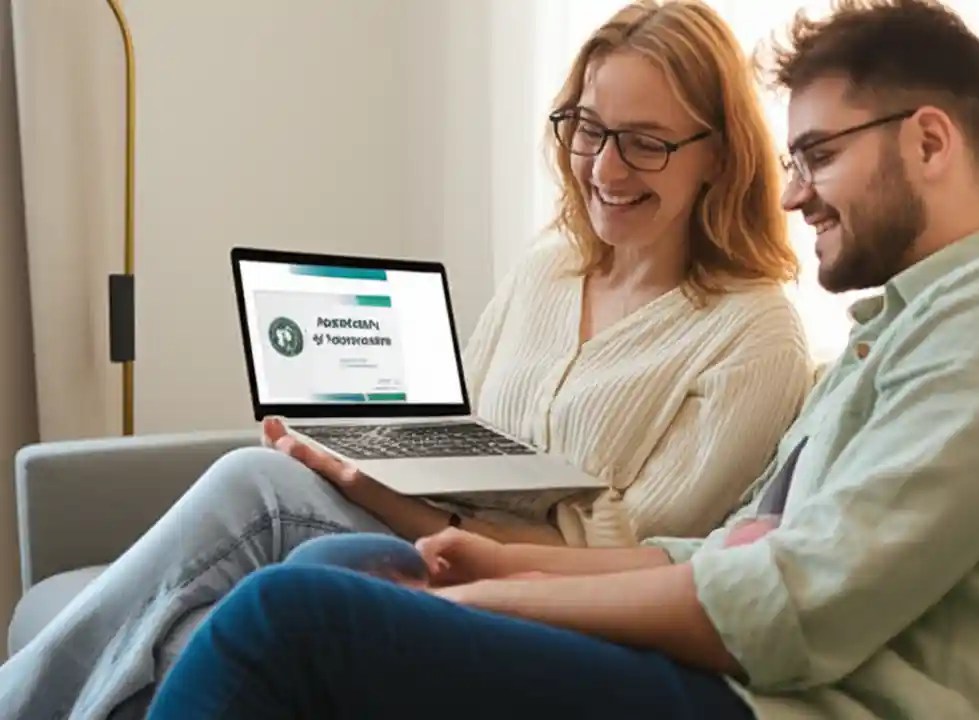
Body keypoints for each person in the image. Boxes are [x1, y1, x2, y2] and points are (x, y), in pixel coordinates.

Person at [147, 0, 979, 718]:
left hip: (807, 700)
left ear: (929, 143)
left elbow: (794, 601)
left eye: (816, 155)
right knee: (342, 558)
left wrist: (505, 595)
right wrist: (504, 557)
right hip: (769, 680)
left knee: (296, 610)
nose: (795, 191)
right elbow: (726, 549)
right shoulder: (893, 338)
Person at [0, 2, 815, 717]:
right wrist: (375, 458)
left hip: (539, 581)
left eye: (643, 144)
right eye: (588, 129)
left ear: (718, 153)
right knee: (188, 622)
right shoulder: (550, 266)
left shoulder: (754, 336)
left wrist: (386, 502)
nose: (604, 169)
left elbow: (633, 562)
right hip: (429, 519)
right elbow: (460, 429)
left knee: (256, 487)